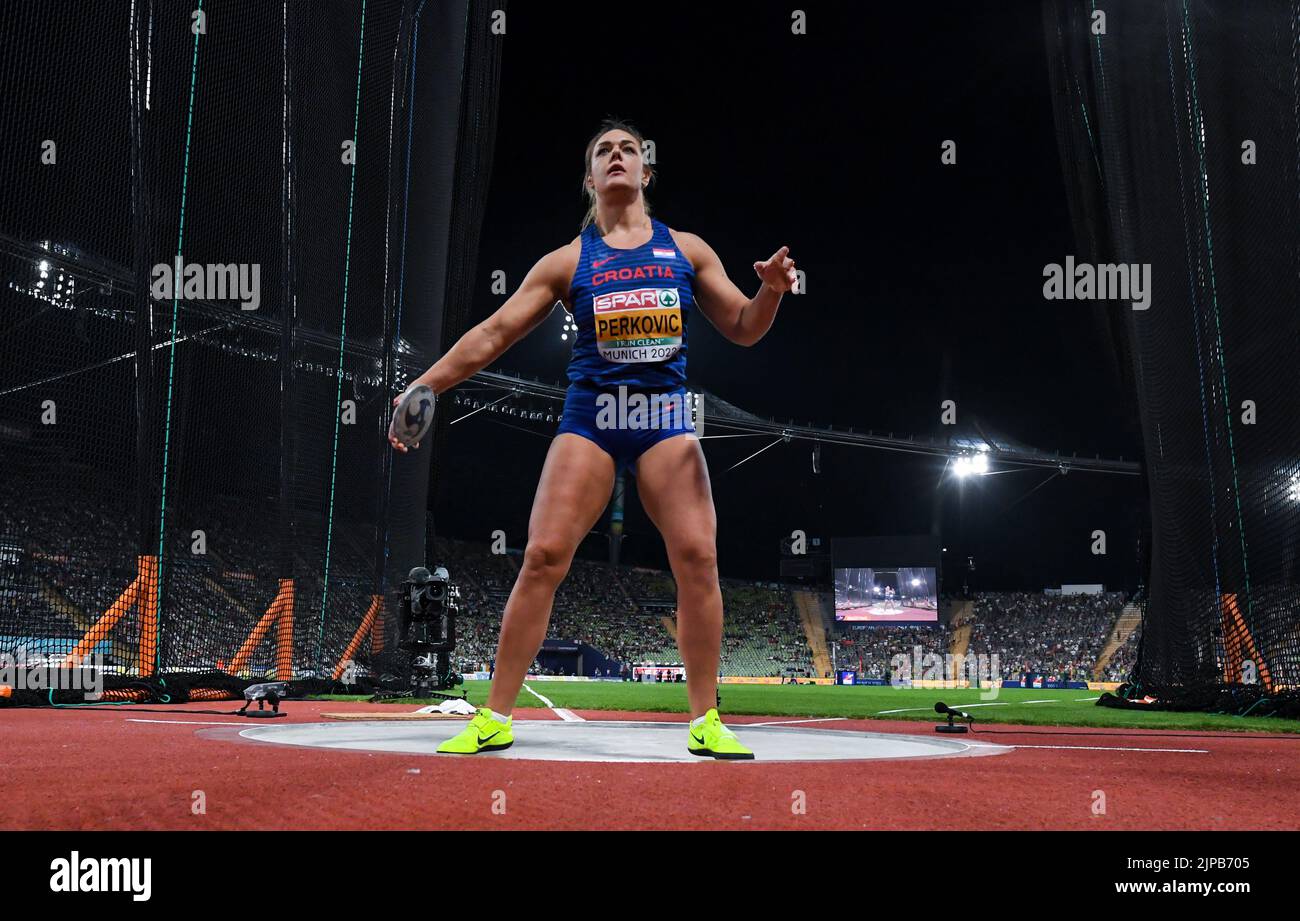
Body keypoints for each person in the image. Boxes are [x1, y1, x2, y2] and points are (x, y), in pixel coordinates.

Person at [394, 119, 795, 758]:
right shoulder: (568, 260)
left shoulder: (686, 250)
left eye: (628, 150)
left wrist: (770, 292)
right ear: (589, 178)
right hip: (593, 418)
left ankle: (706, 720)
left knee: (698, 558)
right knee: (543, 555)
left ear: (645, 172)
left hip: (664, 416)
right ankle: (495, 717)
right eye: (603, 151)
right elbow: (495, 333)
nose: (616, 157)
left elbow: (744, 327)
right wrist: (426, 386)